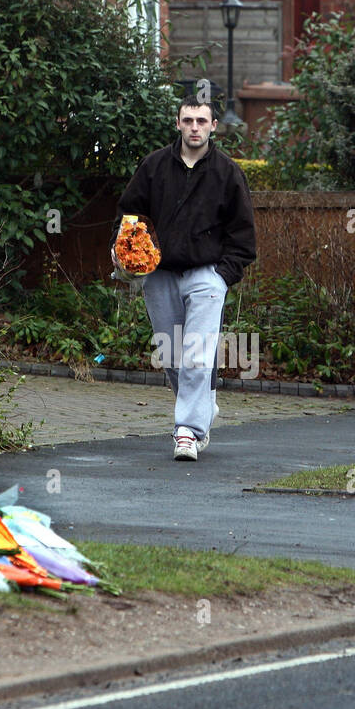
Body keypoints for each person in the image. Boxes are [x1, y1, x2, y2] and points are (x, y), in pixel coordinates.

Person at [111, 95, 256, 460]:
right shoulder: (154, 167)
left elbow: (243, 234)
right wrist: (124, 252)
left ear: (213, 126)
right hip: (159, 275)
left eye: (201, 121)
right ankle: (203, 403)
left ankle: (187, 431)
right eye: (188, 120)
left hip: (207, 276)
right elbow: (131, 215)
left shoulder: (227, 173)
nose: (195, 127)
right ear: (177, 123)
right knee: (172, 354)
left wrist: (223, 275)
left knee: (195, 354)